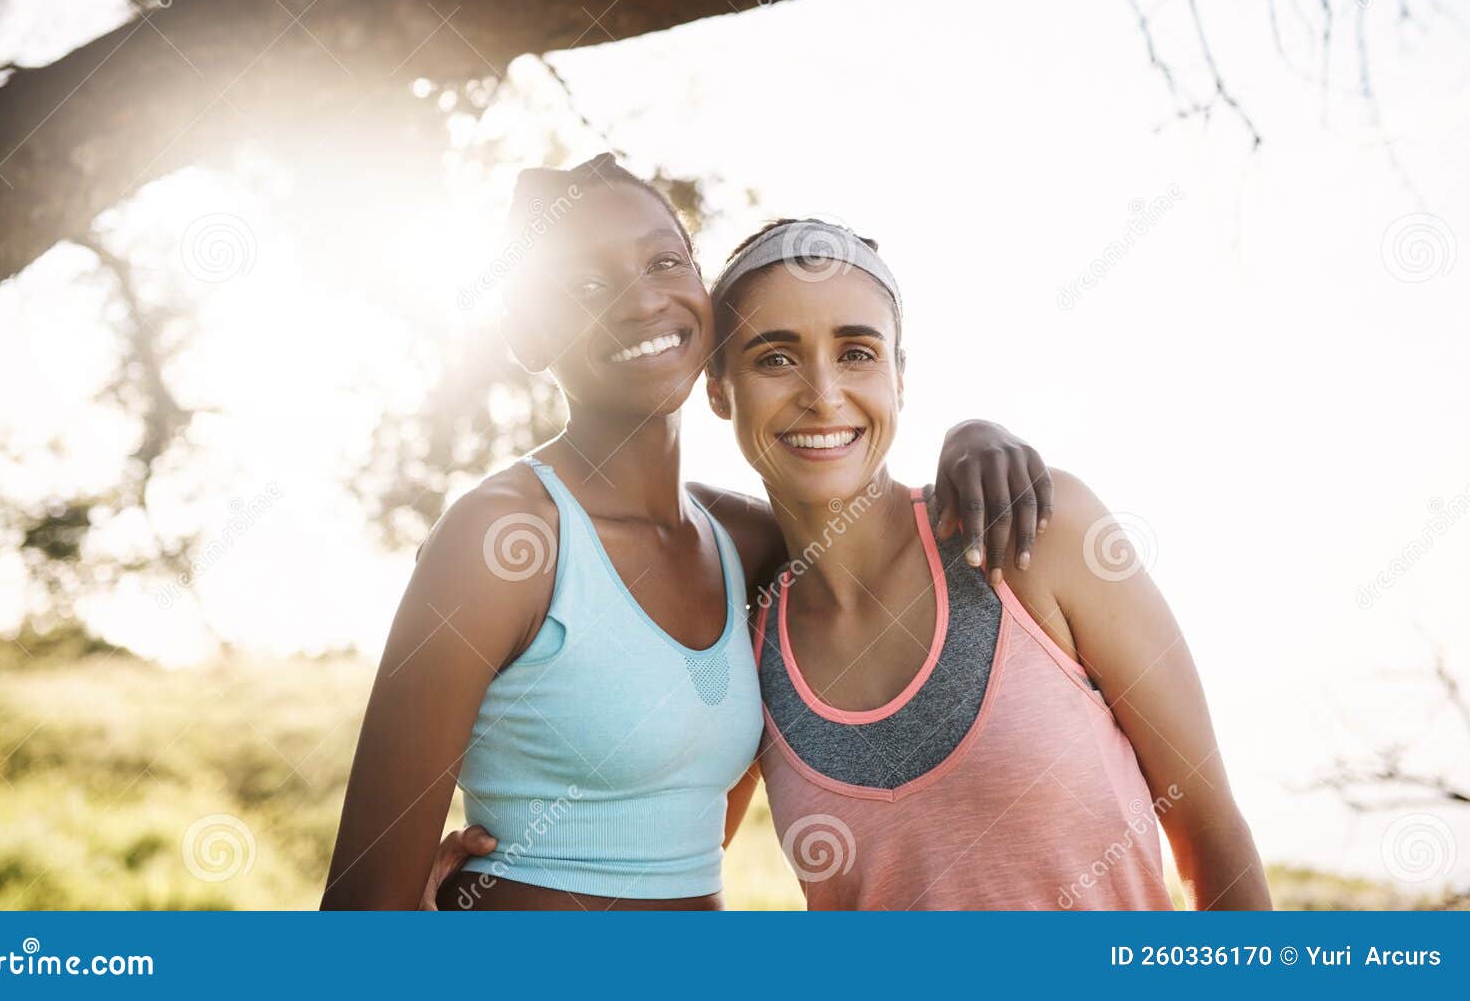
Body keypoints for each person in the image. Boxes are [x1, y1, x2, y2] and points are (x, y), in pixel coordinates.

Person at [320, 159, 1052, 910]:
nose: (641, 300)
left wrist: (974, 435)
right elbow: (361, 907)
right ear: (527, 337)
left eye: (664, 261)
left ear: (702, 293)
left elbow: (883, 532)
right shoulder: (501, 541)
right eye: (588, 286)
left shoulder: (748, 543)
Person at [701, 218, 1270, 910]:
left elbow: (1212, 840)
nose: (823, 393)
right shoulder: (743, 652)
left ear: (899, 378)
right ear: (719, 389)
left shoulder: (1040, 534)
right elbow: (673, 877)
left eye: (856, 353)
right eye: (775, 358)